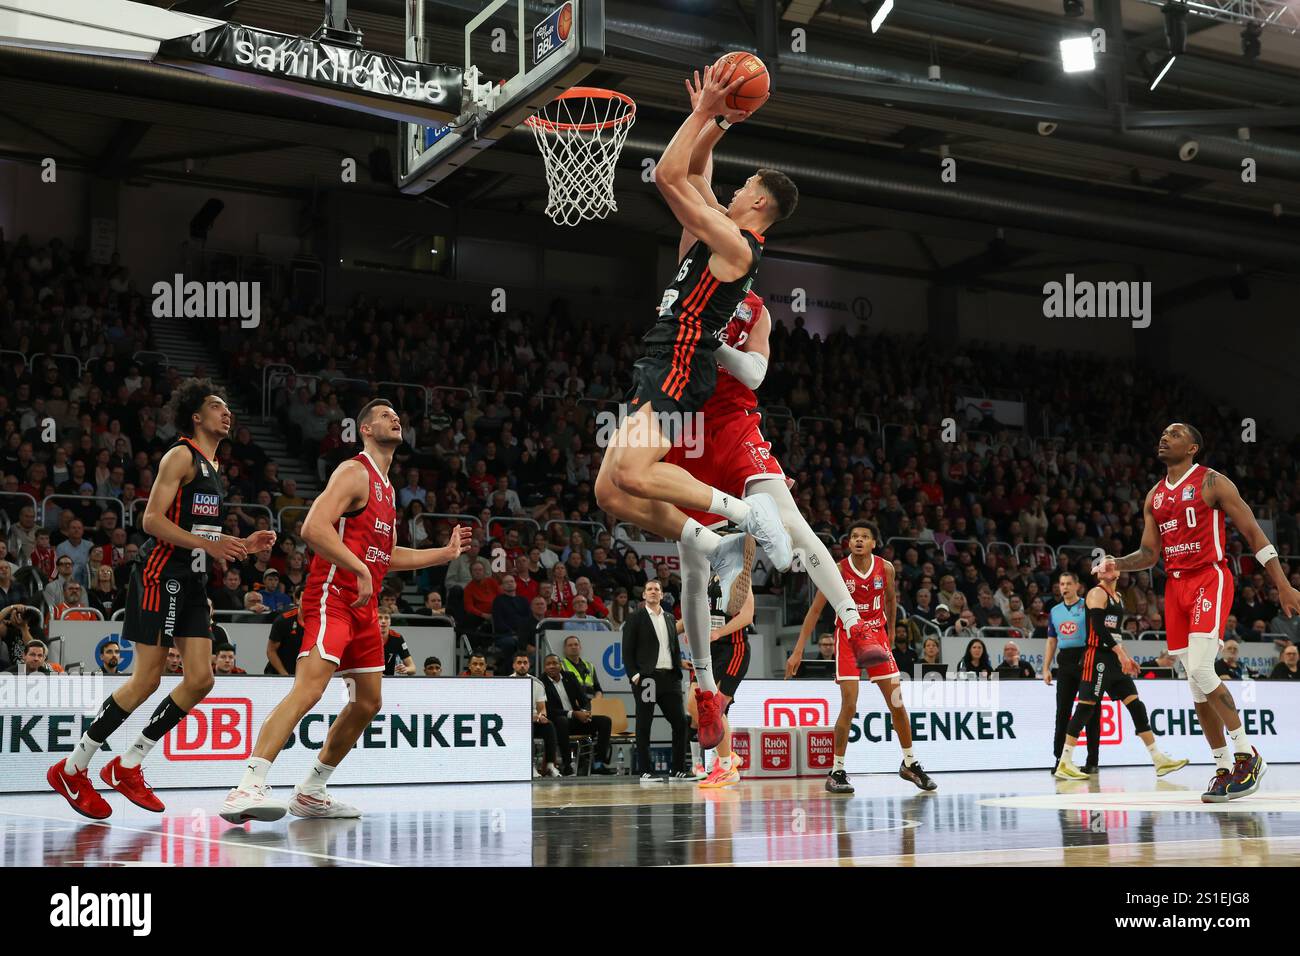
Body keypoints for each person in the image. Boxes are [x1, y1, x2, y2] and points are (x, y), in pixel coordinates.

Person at [593, 65, 798, 752]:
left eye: (745, 188)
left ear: (759, 204)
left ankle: (742, 517)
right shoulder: (721, 234)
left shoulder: (736, 245)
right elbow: (698, 174)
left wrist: (709, 110)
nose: (732, 191)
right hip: (657, 357)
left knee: (633, 472)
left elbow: (668, 176)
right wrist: (716, 122)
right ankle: (714, 542)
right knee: (609, 491)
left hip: (681, 361)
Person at [220, 399, 470, 823]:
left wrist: (442, 554)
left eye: (397, 414)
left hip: (364, 607)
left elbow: (387, 555)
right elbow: (312, 527)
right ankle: (247, 785)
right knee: (309, 689)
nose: (395, 417)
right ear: (365, 429)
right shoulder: (355, 471)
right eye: (385, 415)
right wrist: (359, 568)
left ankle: (312, 790)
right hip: (332, 596)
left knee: (368, 702)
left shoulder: (388, 490)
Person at [49, 380, 275, 821]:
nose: (226, 412)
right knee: (146, 680)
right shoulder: (181, 455)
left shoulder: (214, 466)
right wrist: (207, 544)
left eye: (227, 407)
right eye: (216, 406)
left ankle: (128, 763)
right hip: (160, 575)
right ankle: (72, 768)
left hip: (192, 581)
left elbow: (200, 532)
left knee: (201, 679)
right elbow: (151, 520)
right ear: (196, 416)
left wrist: (240, 545)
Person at [1102, 422, 1299, 801]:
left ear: (1193, 447)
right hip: (1175, 586)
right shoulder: (1154, 496)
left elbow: (1253, 533)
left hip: (1209, 577)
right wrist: (1117, 563)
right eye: (1163, 433)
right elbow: (1149, 554)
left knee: (1202, 670)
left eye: (1175, 434)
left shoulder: (1212, 482)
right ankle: (1223, 767)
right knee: (1194, 682)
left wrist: (1282, 583)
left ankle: (1248, 755)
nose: (1164, 438)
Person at [786, 521, 937, 794]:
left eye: (864, 537)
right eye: (854, 536)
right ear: (849, 543)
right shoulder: (837, 570)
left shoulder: (886, 568)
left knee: (897, 703)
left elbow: (891, 600)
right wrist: (798, 650)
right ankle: (837, 770)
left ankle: (910, 764)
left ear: (873, 543)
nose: (858, 540)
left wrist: (891, 631)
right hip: (848, 637)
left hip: (876, 636)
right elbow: (815, 610)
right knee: (849, 704)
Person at [1055, 559, 1189, 780]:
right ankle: (1065, 762)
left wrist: (1127, 656)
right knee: (1086, 708)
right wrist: (1121, 654)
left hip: (1114, 660)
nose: (1108, 568)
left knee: (1136, 706)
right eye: (1104, 566)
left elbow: (1114, 633)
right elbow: (1099, 629)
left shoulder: (1117, 597)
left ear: (1118, 572)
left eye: (1112, 565)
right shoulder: (1096, 594)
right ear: (1099, 573)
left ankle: (1158, 759)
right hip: (1096, 658)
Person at [683, 578, 754, 788]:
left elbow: (747, 616)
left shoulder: (740, 576)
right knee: (693, 705)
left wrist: (718, 633)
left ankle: (725, 766)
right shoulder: (708, 577)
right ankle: (728, 756)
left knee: (714, 707)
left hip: (733, 649)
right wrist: (690, 629)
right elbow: (699, 610)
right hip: (708, 649)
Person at [622, 579, 689, 781]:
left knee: (680, 723)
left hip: (670, 678)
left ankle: (677, 769)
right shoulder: (635, 617)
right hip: (647, 679)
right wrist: (635, 675)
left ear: (661, 594)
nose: (653, 591)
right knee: (645, 724)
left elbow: (672, 647)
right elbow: (627, 650)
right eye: (649, 589)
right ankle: (645, 770)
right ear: (644, 595)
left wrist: (679, 664)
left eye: (656, 589)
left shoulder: (669, 617)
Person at [1043, 571, 1101, 775]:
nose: (1065, 587)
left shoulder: (1087, 605)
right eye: (1062, 584)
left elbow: (1097, 633)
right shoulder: (1055, 611)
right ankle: (1060, 759)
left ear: (1077, 586)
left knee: (1091, 711)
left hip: (1087, 659)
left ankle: (1092, 760)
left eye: (1069, 583)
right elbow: (1052, 641)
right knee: (1063, 711)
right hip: (1065, 663)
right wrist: (1046, 667)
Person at [540, 654, 615, 776]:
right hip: (556, 724)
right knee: (562, 720)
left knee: (605, 721)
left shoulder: (569, 677)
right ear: (544, 667)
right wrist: (574, 714)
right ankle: (567, 765)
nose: (552, 666)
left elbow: (584, 700)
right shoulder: (541, 682)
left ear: (560, 665)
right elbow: (549, 710)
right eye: (548, 664)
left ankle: (598, 763)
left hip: (576, 721)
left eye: (555, 663)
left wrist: (584, 712)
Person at [510, 653, 559, 778]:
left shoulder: (537, 683)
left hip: (534, 720)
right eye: (519, 663)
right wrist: (527, 718)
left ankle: (550, 765)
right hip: (514, 723)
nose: (522, 665)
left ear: (529, 665)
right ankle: (530, 766)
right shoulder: (506, 683)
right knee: (528, 728)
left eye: (525, 663)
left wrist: (541, 716)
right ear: (514, 665)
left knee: (549, 726)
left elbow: (542, 708)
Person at [264, 590, 304, 675]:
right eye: (305, 598)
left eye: (312, 599)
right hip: (279, 673)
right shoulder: (283, 620)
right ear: (297, 600)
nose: (309, 602)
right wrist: (284, 675)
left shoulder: (321, 622)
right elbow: (271, 651)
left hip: (304, 675)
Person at [560, 635, 604, 700]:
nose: (573, 647)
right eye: (570, 645)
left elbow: (598, 689)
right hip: (572, 702)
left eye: (576, 644)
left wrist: (597, 700)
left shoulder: (589, 666)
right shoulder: (560, 666)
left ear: (580, 647)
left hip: (591, 702)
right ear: (565, 649)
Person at [380, 611, 413, 676]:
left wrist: (406, 669)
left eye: (386, 618)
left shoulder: (397, 638)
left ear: (390, 621)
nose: (383, 621)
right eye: (380, 618)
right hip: (370, 678)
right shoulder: (367, 638)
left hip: (389, 679)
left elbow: (413, 668)